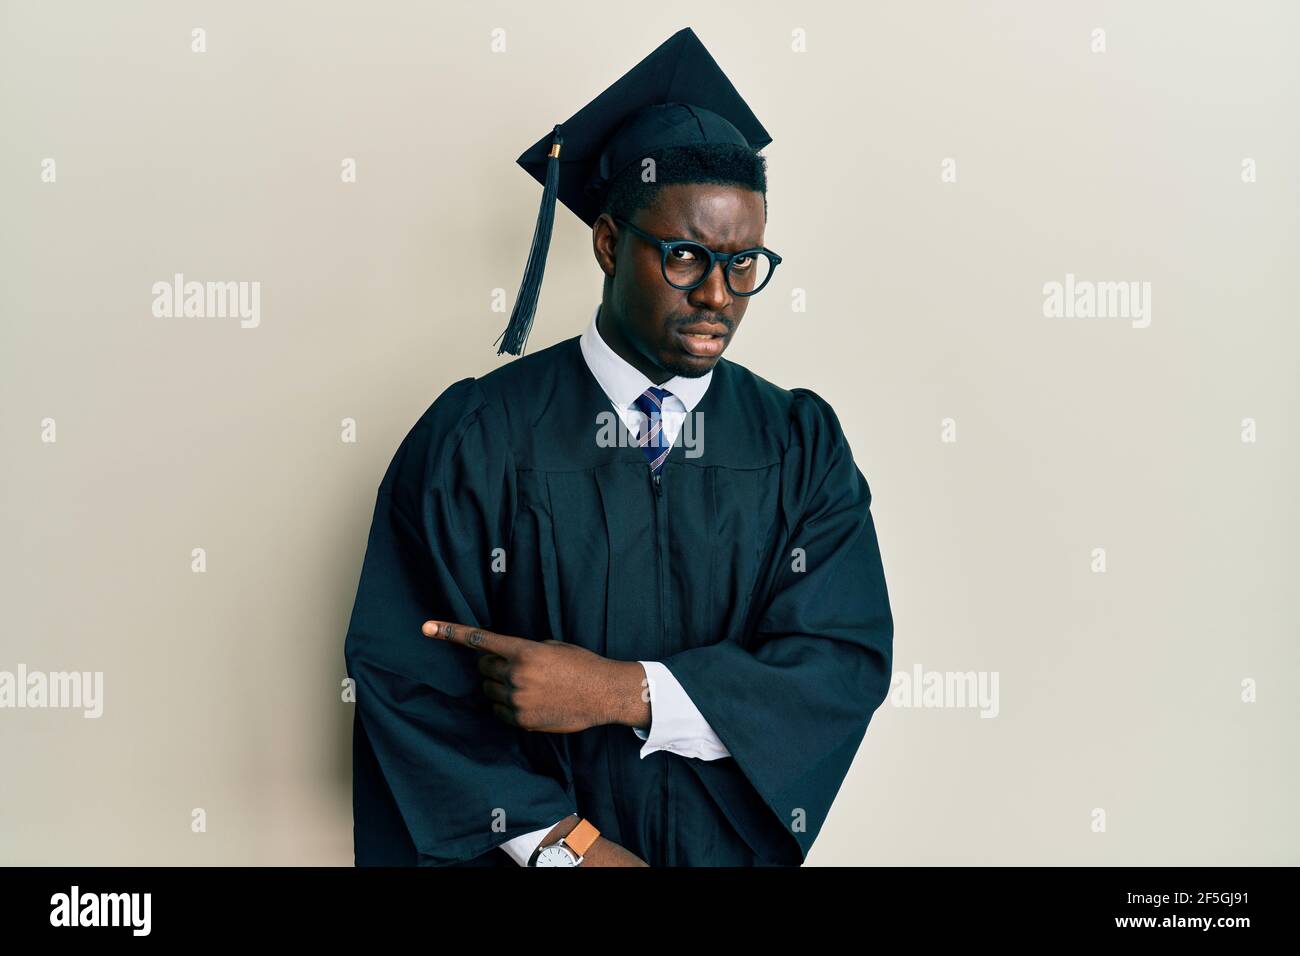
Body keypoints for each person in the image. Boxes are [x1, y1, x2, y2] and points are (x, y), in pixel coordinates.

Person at [343, 27, 893, 867]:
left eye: (745, 263)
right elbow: (410, 677)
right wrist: (567, 849)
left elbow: (836, 664)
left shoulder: (799, 444)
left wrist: (618, 691)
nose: (719, 294)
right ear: (608, 243)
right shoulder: (479, 436)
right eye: (686, 257)